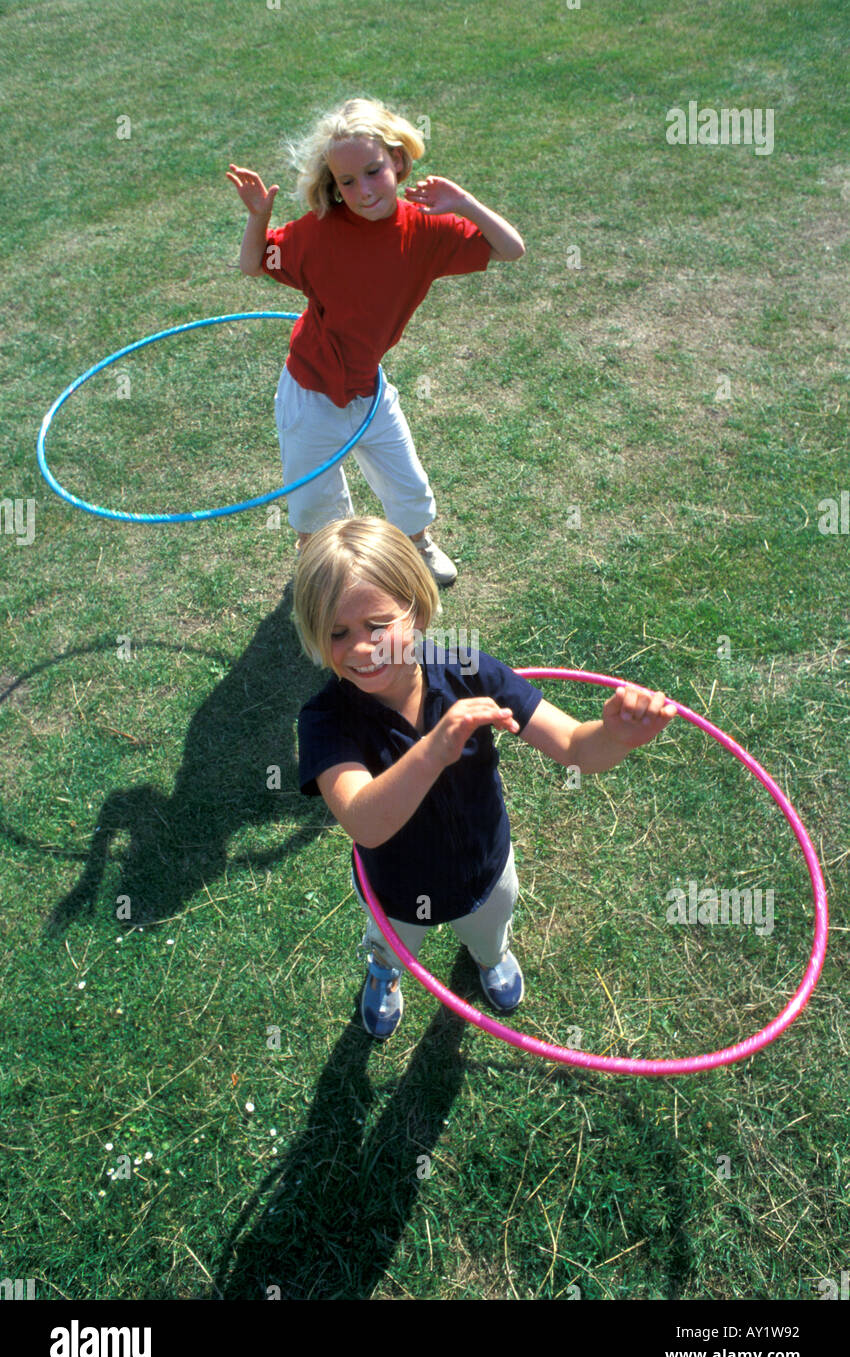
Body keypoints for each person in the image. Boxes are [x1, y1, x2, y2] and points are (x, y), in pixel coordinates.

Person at [293, 518, 678, 1040]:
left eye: (378, 625)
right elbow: (366, 822)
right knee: (392, 942)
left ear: (417, 608)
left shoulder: (468, 670)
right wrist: (435, 749)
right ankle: (386, 970)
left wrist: (617, 734)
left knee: (490, 926)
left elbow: (572, 748)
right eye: (337, 633)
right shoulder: (325, 720)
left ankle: (490, 956)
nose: (362, 648)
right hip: (394, 889)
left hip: (487, 869)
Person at [227, 97, 525, 586]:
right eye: (347, 182)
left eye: (373, 171)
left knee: (406, 482)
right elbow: (252, 262)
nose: (363, 191)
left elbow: (512, 249)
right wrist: (259, 215)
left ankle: (417, 543)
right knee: (314, 502)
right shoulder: (317, 234)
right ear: (333, 185)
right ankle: (322, 567)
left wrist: (465, 203)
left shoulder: (426, 230)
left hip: (368, 386)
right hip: (309, 388)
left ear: (399, 162)